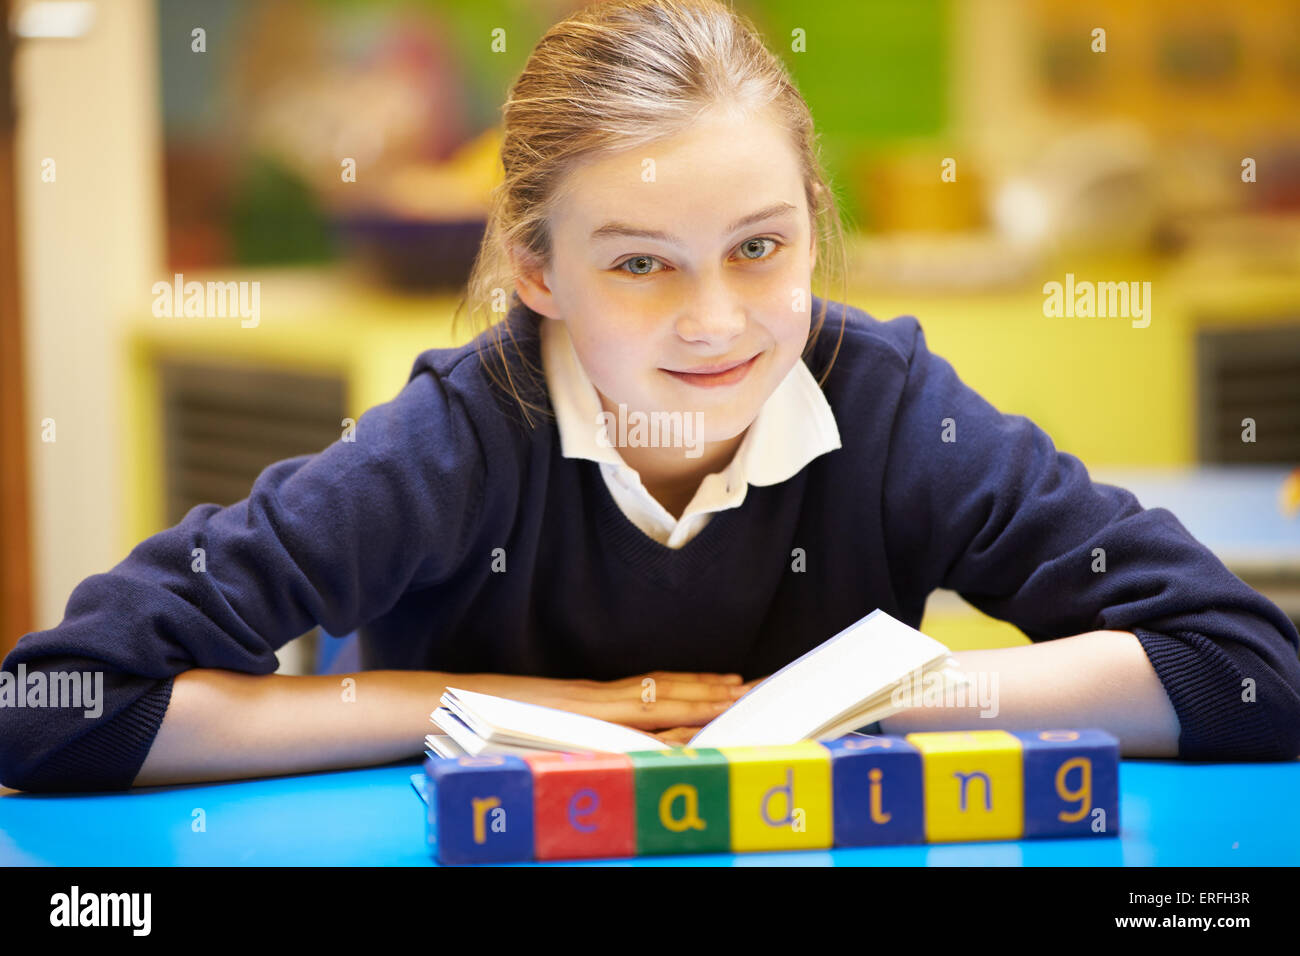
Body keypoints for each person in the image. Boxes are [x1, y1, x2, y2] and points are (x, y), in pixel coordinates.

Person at [3, 0, 1298, 793]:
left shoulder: (893, 410)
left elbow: (1250, 674)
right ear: (535, 269)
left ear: (812, 228)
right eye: (638, 264)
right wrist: (550, 714)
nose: (720, 323)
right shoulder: (455, 443)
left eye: (761, 246)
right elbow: (52, 710)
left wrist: (861, 696)